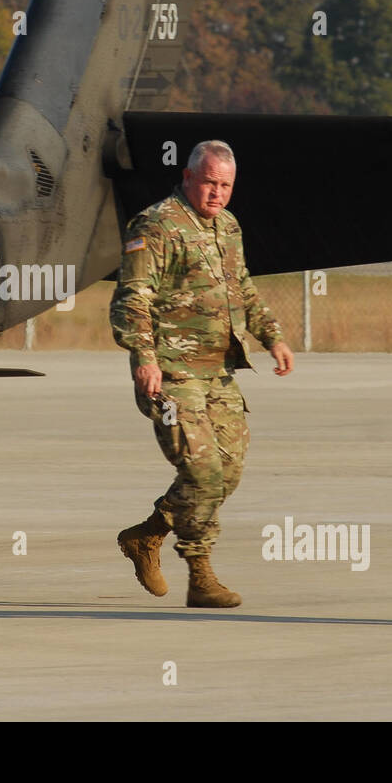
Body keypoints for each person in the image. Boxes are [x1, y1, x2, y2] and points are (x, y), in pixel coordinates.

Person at [109, 139, 294, 608]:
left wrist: (272, 337)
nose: (217, 193)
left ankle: (147, 535)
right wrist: (145, 358)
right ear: (189, 177)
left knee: (228, 471)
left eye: (225, 185)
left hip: (218, 372)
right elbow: (133, 297)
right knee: (203, 472)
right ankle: (200, 573)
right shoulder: (156, 226)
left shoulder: (227, 226)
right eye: (209, 182)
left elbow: (243, 289)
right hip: (171, 373)